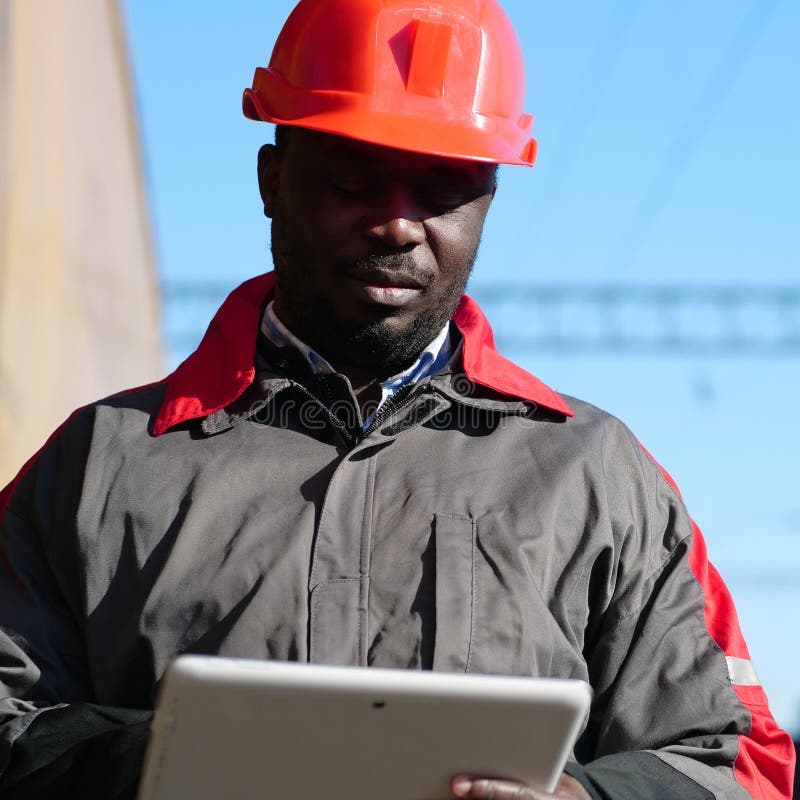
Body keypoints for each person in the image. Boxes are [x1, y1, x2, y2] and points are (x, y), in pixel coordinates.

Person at [0, 0, 795, 798]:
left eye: (444, 188)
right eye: (353, 177)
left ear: (488, 201)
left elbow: (740, 767)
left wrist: (585, 798)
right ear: (272, 182)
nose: (398, 226)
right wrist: (178, 758)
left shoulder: (597, 476)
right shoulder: (99, 466)